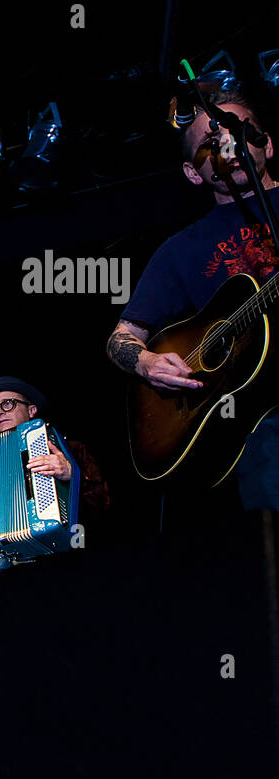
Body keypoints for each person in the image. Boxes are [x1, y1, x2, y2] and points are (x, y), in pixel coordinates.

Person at [105, 90, 278, 511]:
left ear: (267, 143)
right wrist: (146, 362)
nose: (227, 146)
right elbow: (120, 338)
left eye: (238, 132)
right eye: (209, 143)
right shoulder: (180, 250)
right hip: (263, 426)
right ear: (193, 172)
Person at [0, 376, 109, 541]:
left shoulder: (71, 449)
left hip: (74, 552)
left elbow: (104, 502)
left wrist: (73, 474)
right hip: (12, 561)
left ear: (31, 410)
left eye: (8, 404)